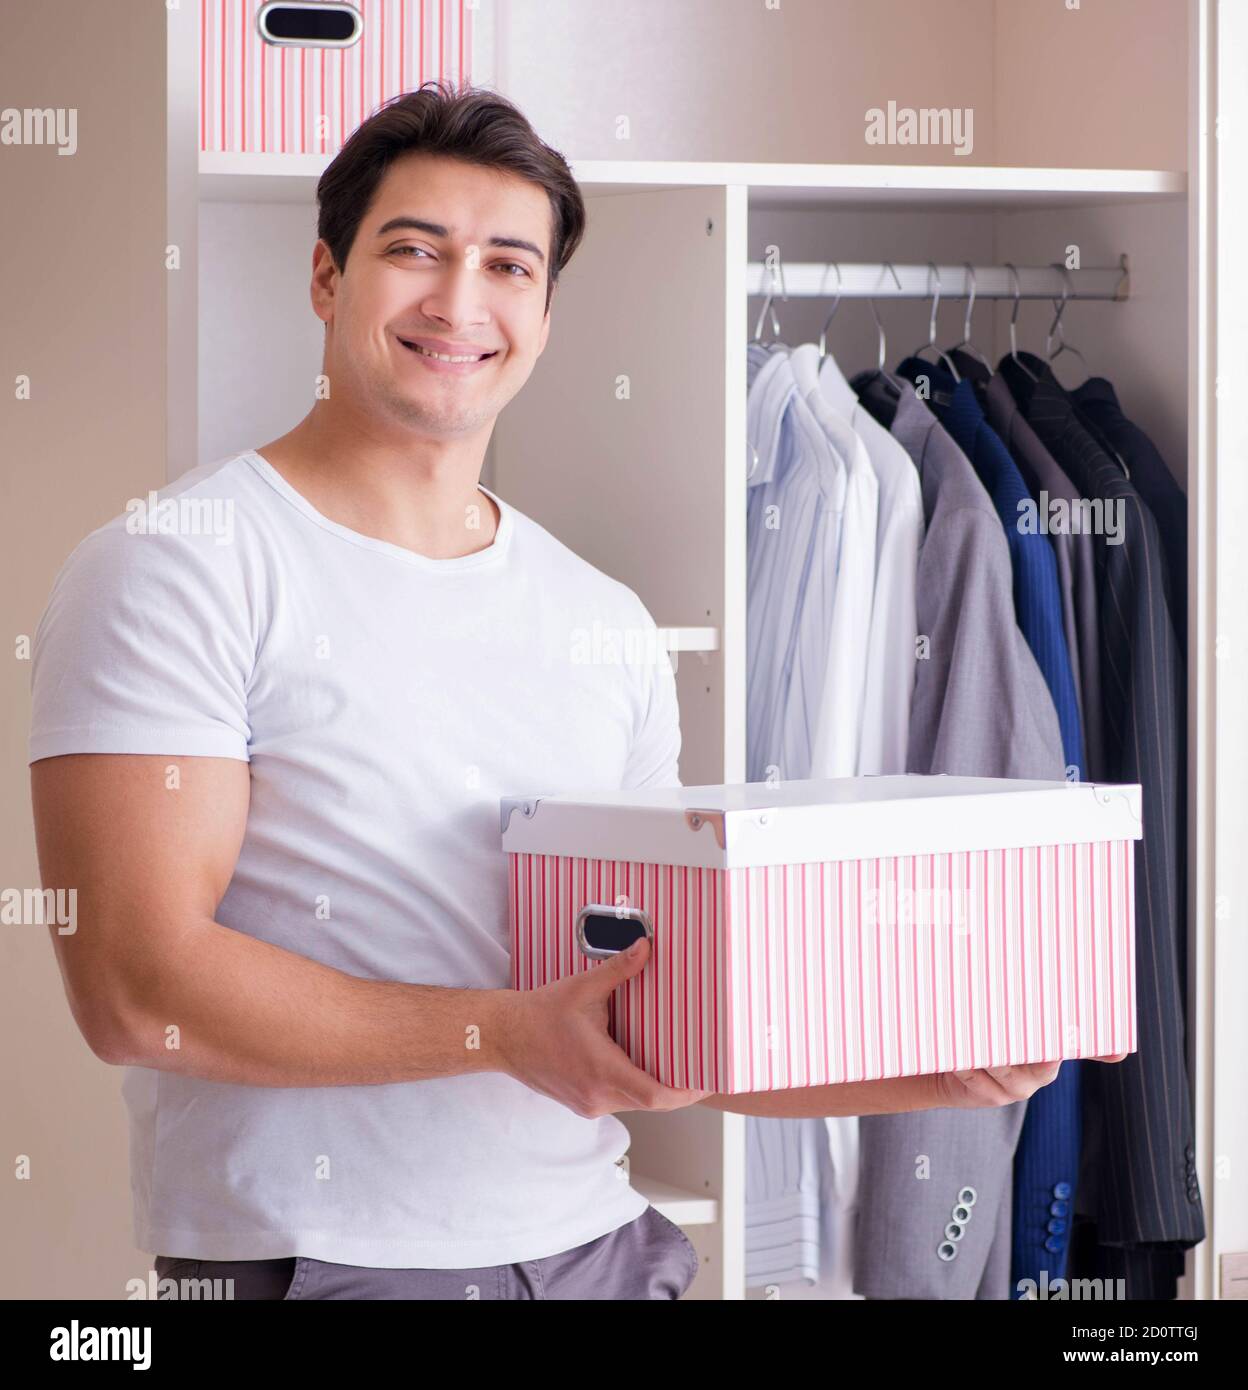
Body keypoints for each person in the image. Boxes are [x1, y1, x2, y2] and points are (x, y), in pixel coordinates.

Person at [28, 81, 1106, 1302]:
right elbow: (134, 987)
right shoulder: (178, 563)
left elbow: (658, 1023)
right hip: (331, 1266)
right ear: (326, 277)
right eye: (413, 251)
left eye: (507, 266)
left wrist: (939, 1069)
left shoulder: (602, 620)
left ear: (543, 315)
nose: (459, 301)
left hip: (600, 1252)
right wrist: (500, 1030)